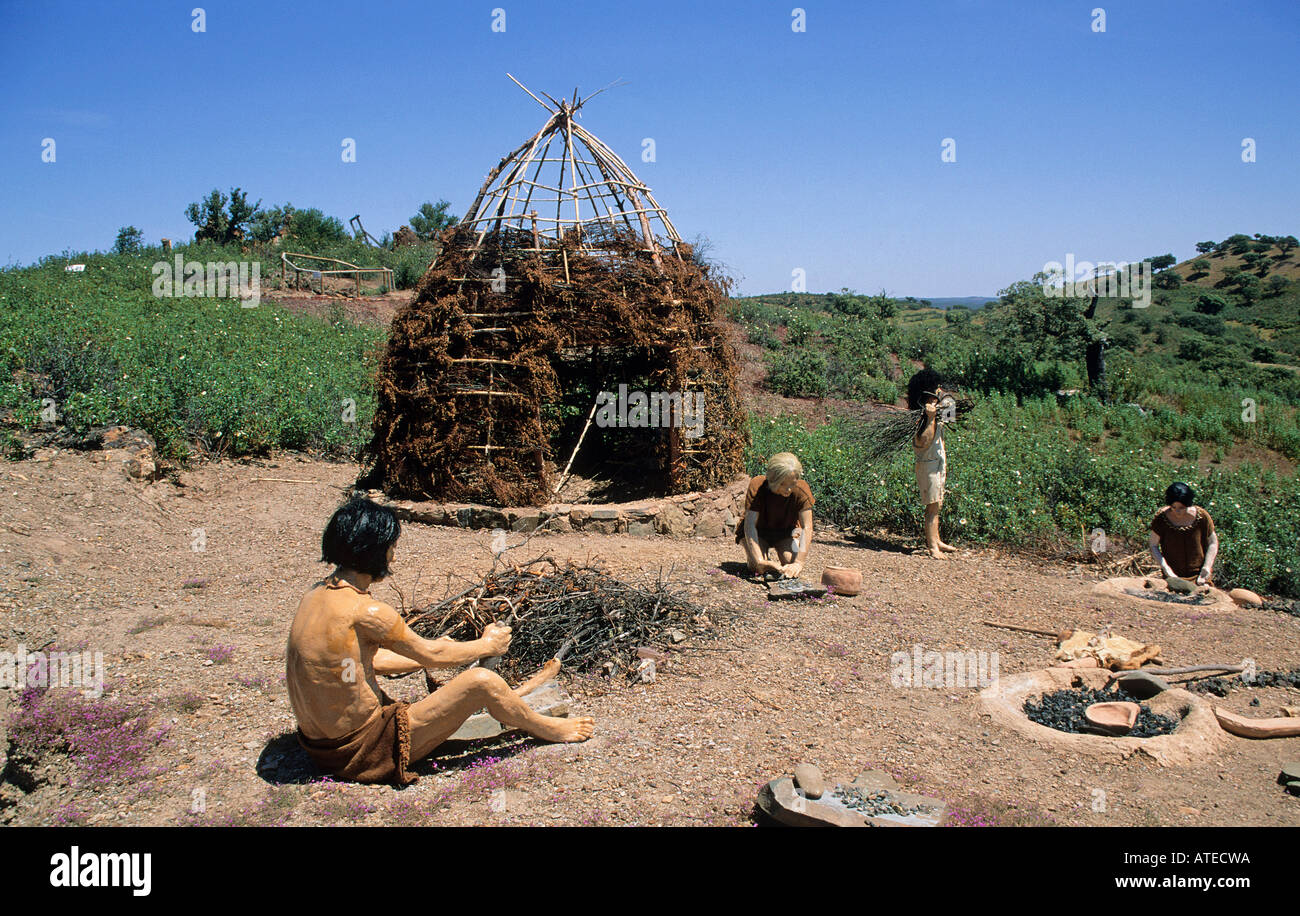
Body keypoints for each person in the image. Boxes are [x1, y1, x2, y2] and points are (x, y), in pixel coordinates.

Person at [286, 497, 593, 785]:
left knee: (460, 683)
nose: (394, 554)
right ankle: (547, 728)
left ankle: (518, 696)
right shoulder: (367, 611)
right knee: (481, 682)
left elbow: (358, 662)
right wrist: (488, 645)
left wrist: (445, 651)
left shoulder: (313, 596)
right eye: (392, 547)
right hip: (365, 750)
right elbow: (432, 653)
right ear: (376, 550)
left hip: (320, 750)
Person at [736, 452, 814, 579]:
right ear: (772, 479)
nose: (788, 489)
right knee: (756, 567)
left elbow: (807, 528)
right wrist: (759, 560)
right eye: (783, 484)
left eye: (792, 484)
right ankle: (761, 556)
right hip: (759, 530)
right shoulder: (757, 486)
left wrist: (799, 563)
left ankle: (778, 555)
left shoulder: (801, 490)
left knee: (790, 564)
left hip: (787, 530)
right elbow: (750, 525)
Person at [909, 368, 957, 559]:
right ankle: (932, 547)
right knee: (932, 506)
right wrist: (929, 418)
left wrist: (944, 404)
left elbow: (950, 418)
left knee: (938, 503)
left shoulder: (935, 410)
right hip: (928, 463)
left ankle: (936, 539)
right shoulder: (919, 418)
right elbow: (923, 441)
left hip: (938, 461)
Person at [1149, 482, 1218, 586]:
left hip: (1199, 575)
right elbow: (1153, 544)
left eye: (1181, 508)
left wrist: (1207, 567)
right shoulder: (1161, 519)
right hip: (1173, 575)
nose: (1177, 511)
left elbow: (1213, 542)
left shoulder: (1202, 516)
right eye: (1173, 507)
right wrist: (1165, 567)